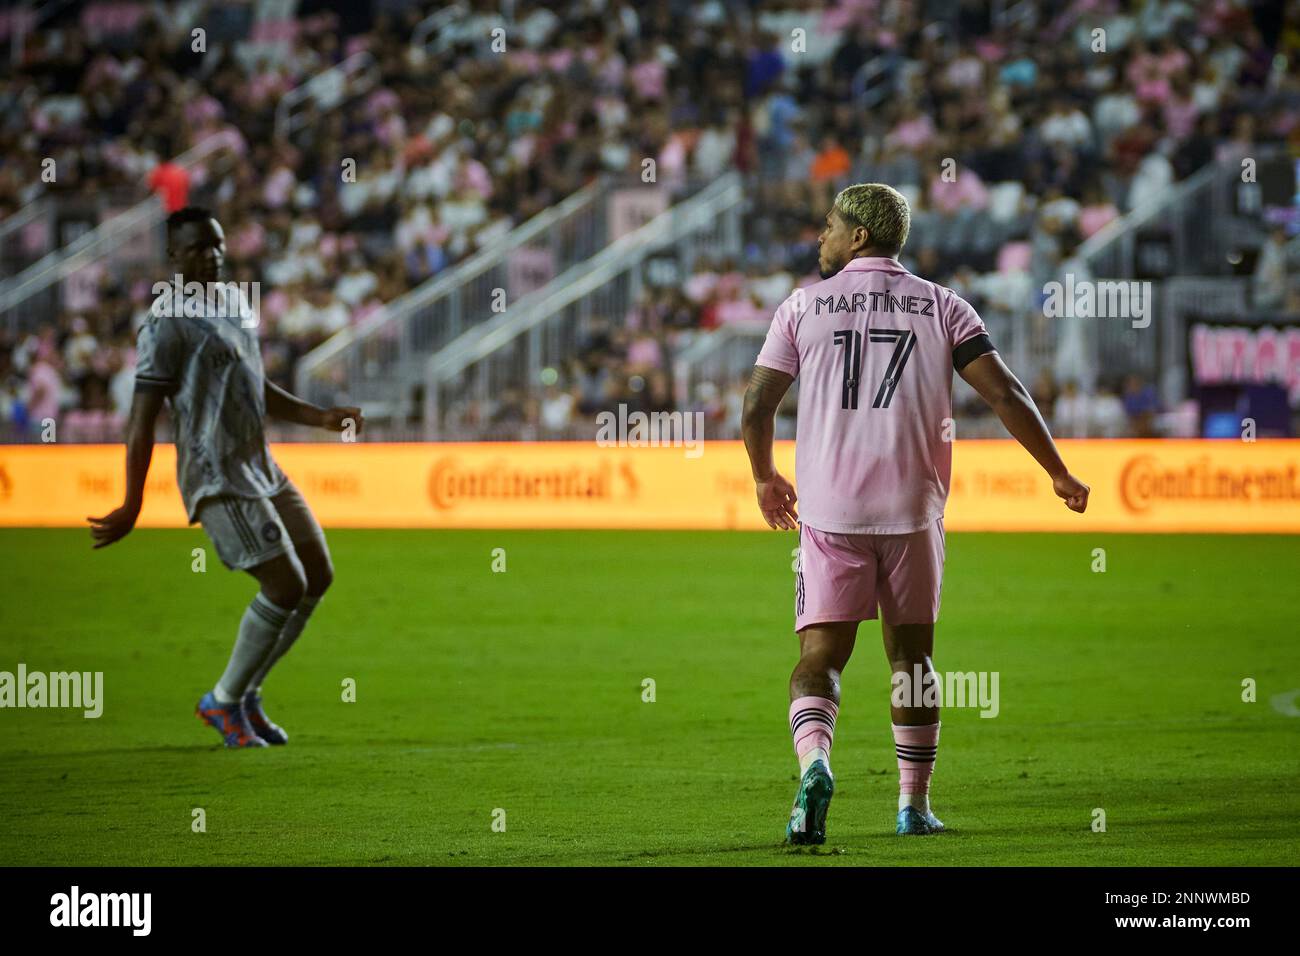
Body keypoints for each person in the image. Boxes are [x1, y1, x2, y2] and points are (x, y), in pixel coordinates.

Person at [741, 183, 1089, 844]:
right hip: (912, 508)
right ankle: (912, 806)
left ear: (858, 238)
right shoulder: (943, 306)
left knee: (820, 656)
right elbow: (1007, 394)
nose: (821, 237)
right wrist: (1058, 470)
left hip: (831, 511)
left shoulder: (803, 306)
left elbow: (758, 406)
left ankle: (815, 764)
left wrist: (764, 477)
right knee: (913, 661)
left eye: (830, 227)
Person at [89, 207, 363, 748]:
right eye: (196, 248)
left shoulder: (236, 303)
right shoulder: (166, 324)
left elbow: (254, 385)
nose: (210, 256)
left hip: (260, 465)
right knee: (286, 584)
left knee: (318, 572)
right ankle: (222, 701)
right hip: (216, 473)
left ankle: (246, 692)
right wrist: (131, 502)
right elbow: (142, 421)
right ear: (173, 256)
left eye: (215, 244)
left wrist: (320, 417)